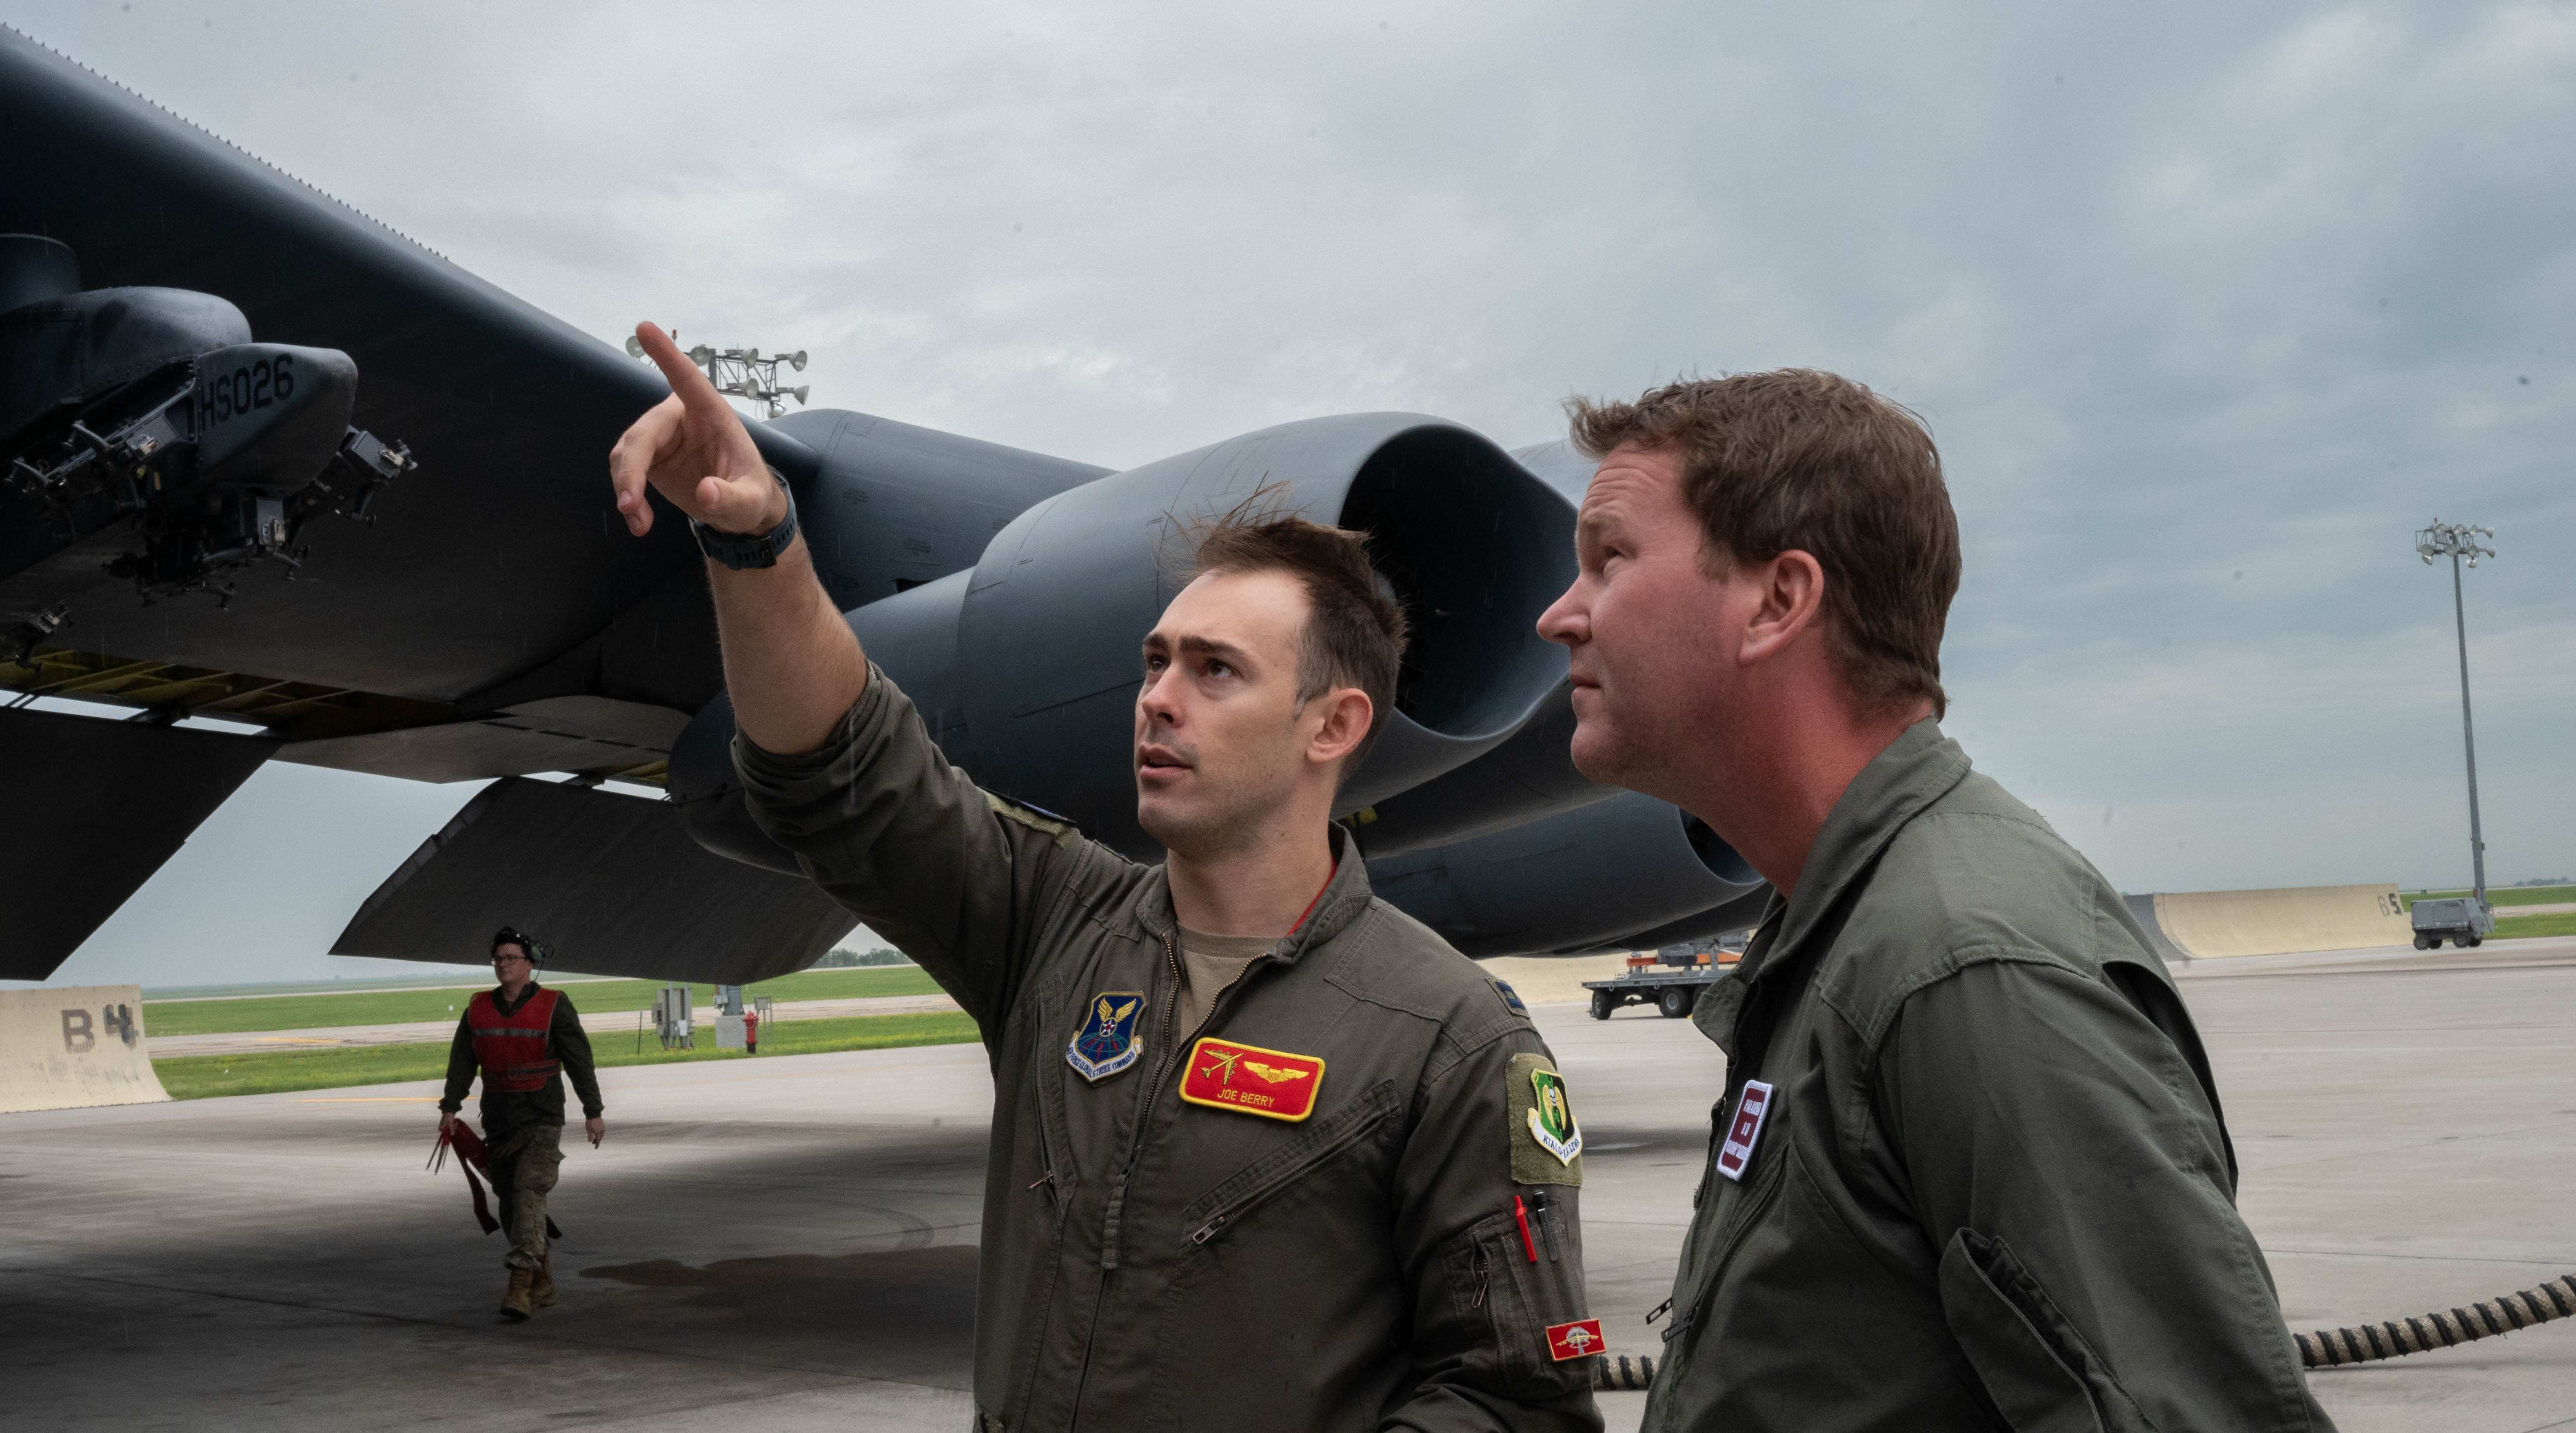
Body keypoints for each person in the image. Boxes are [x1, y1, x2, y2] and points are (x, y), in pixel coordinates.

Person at [607, 322, 1602, 1433]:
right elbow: (844, 771)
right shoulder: (1055, 927)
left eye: (1214, 669)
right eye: (1154, 661)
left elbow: (1511, 1403)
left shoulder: (1451, 1040)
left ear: (1336, 724)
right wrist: (760, 548)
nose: (1157, 698)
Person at [1535, 372, 2334, 1432]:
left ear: (1778, 601)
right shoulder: (1844, 930)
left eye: (1609, 560)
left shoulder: (1964, 971)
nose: (1559, 616)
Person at [437, 927, 606, 1321]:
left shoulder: (555, 1005)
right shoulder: (477, 1008)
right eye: (498, 958)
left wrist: (593, 1111)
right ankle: (543, 1283)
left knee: (529, 1192)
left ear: (530, 963)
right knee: (512, 1206)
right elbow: (462, 1060)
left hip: (542, 1118)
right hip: (499, 1120)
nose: (502, 965)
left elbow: (580, 1061)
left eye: (511, 958)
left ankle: (518, 1287)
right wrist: (450, 1106)